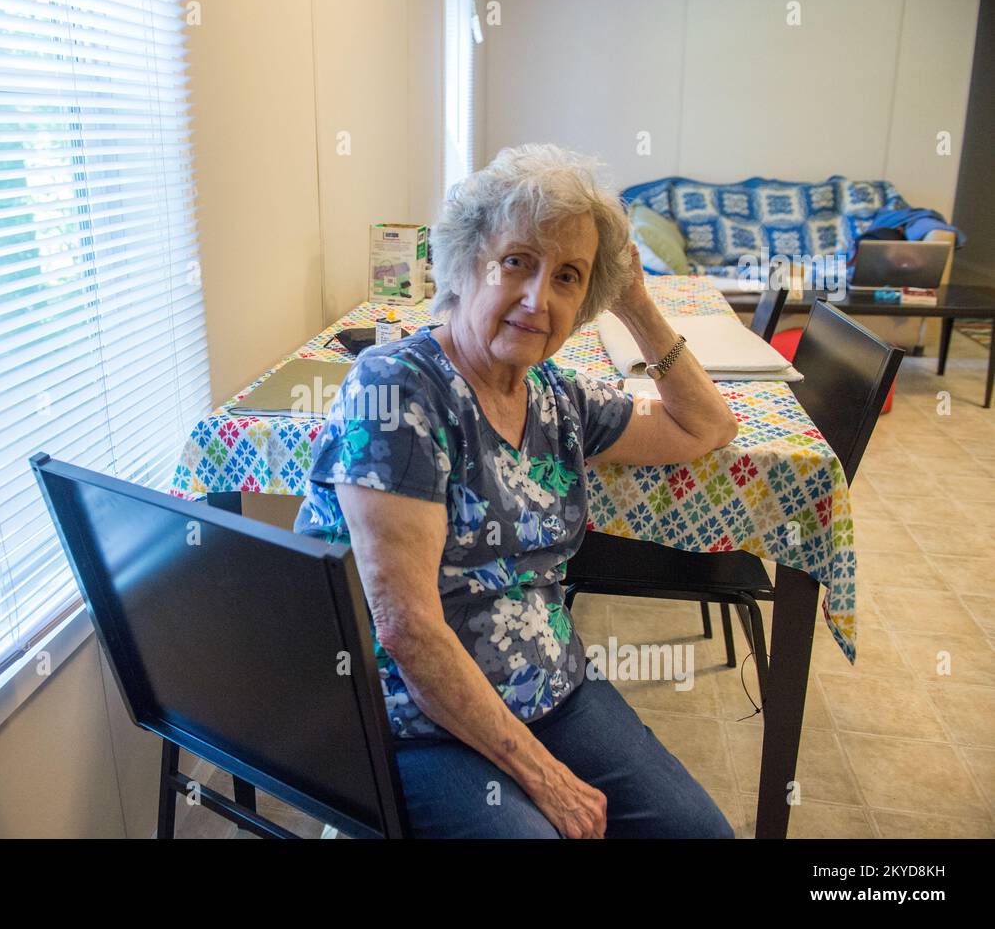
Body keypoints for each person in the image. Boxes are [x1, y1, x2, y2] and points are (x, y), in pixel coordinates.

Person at [292, 143, 740, 838]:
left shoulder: (556, 397)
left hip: (550, 687)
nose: (539, 299)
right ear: (469, 262)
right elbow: (405, 628)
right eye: (517, 262)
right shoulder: (396, 391)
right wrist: (545, 778)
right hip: (413, 716)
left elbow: (707, 424)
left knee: (700, 833)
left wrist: (640, 308)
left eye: (568, 277)